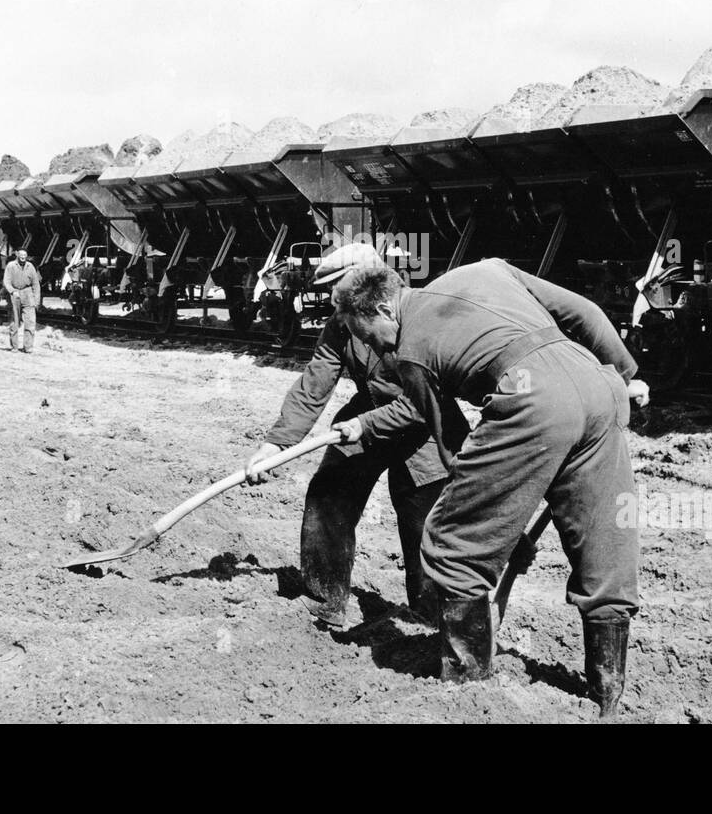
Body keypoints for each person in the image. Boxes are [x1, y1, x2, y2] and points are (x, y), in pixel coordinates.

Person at [330, 257, 648, 716]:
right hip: (598, 388)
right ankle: (607, 699)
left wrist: (493, 521)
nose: (374, 349)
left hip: (531, 399)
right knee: (606, 543)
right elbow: (587, 313)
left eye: (365, 336)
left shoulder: (411, 354)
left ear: (382, 310)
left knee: (451, 541)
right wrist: (624, 375)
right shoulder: (488, 270)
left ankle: (467, 691)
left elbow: (452, 447)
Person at [244, 243, 447, 629]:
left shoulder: (411, 315)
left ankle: (430, 621)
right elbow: (314, 383)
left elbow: (423, 401)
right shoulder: (341, 324)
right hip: (368, 413)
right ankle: (325, 596)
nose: (336, 306)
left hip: (422, 425)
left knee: (422, 523)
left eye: (340, 293)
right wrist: (276, 444)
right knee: (329, 491)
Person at [3, 249, 41, 353]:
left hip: (28, 294)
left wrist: (36, 300)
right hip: (15, 294)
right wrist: (12, 291)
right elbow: (6, 281)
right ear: (17, 255)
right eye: (21, 255)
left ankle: (28, 347)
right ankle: (14, 346)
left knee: (30, 321)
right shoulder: (11, 266)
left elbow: (36, 284)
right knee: (14, 321)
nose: (23, 257)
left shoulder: (30, 267)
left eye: (25, 255)